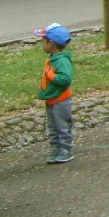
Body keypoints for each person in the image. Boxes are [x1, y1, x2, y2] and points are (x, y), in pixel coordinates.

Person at [33, 23, 74, 163]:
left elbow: (65, 79)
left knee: (62, 126)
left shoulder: (62, 60)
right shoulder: (53, 58)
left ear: (51, 44)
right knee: (53, 127)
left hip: (60, 101)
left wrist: (51, 76)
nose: (42, 44)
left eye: (43, 41)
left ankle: (65, 150)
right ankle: (56, 149)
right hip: (51, 101)